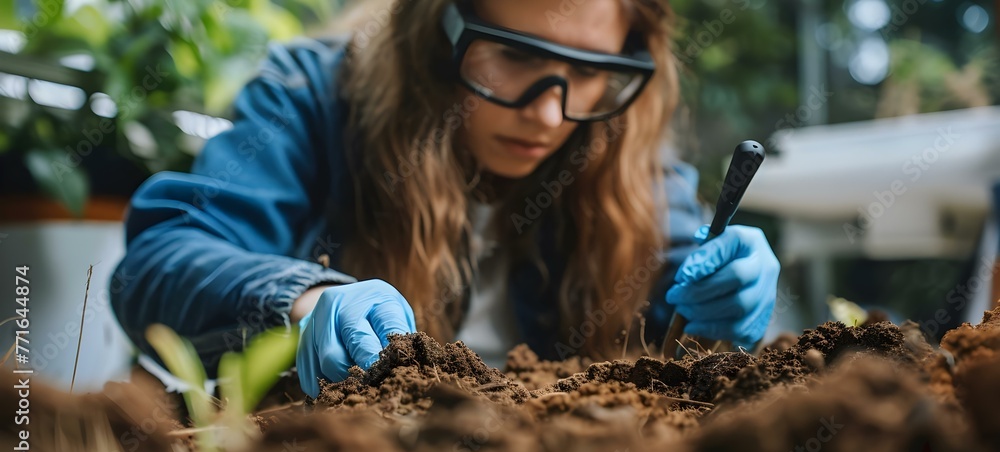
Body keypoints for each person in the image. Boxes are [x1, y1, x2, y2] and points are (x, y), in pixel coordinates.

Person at [110, 0, 780, 398]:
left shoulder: (618, 138)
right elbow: (159, 261)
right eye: (515, 57)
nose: (550, 115)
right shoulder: (310, 98)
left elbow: (666, 301)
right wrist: (302, 300)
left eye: (588, 71)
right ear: (440, 31)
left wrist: (717, 304)